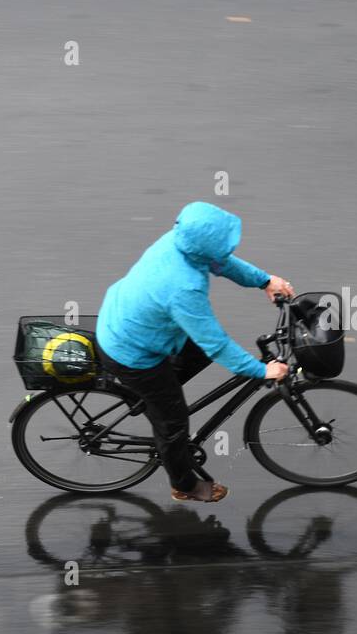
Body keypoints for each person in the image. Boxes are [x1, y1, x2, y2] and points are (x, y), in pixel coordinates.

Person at [95, 200, 294, 503]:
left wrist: (264, 281)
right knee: (174, 424)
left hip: (128, 322)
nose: (227, 250)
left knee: (194, 357)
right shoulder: (183, 287)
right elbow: (216, 343)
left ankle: (154, 401)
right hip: (133, 353)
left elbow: (223, 262)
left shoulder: (178, 242)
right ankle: (184, 485)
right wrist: (261, 370)